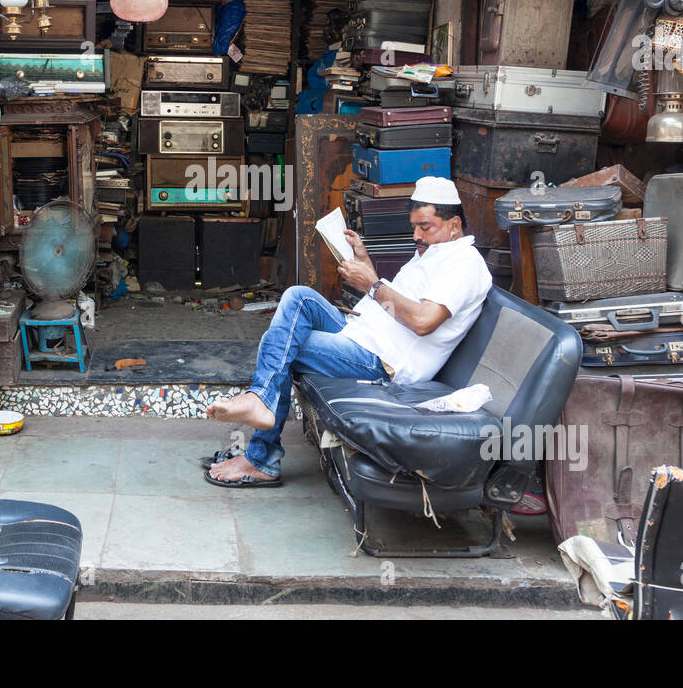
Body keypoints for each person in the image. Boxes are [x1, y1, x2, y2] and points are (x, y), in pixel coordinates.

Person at [204, 176, 493, 487]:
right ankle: (259, 411)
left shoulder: (463, 264)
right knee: (298, 297)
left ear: (454, 224)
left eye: (426, 227)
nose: (416, 236)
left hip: (382, 361)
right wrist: (364, 263)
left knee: (283, 344)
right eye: (414, 227)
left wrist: (372, 283)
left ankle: (261, 455)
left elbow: (423, 322)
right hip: (363, 333)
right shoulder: (435, 251)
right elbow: (400, 305)